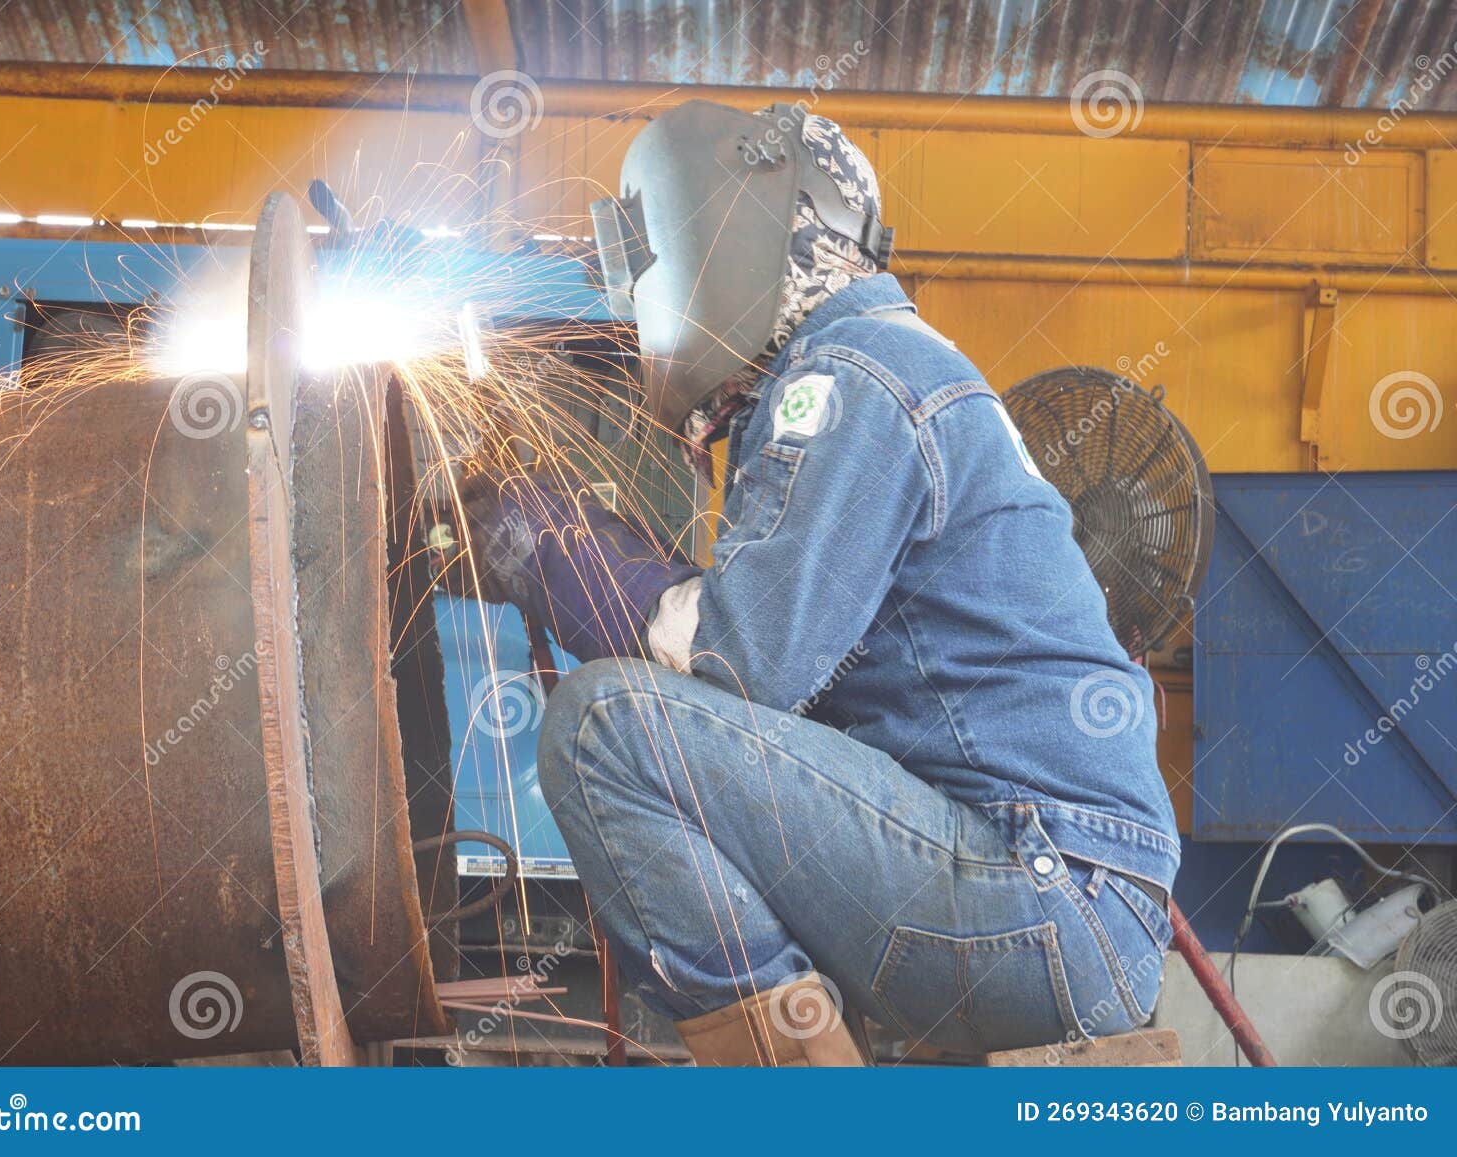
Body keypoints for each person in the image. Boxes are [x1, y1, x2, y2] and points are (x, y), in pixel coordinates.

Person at [462, 100, 1179, 1066]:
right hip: (1060, 894)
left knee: (604, 727)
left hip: (1037, 892)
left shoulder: (855, 371)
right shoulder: (878, 372)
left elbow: (739, 662)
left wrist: (555, 549)